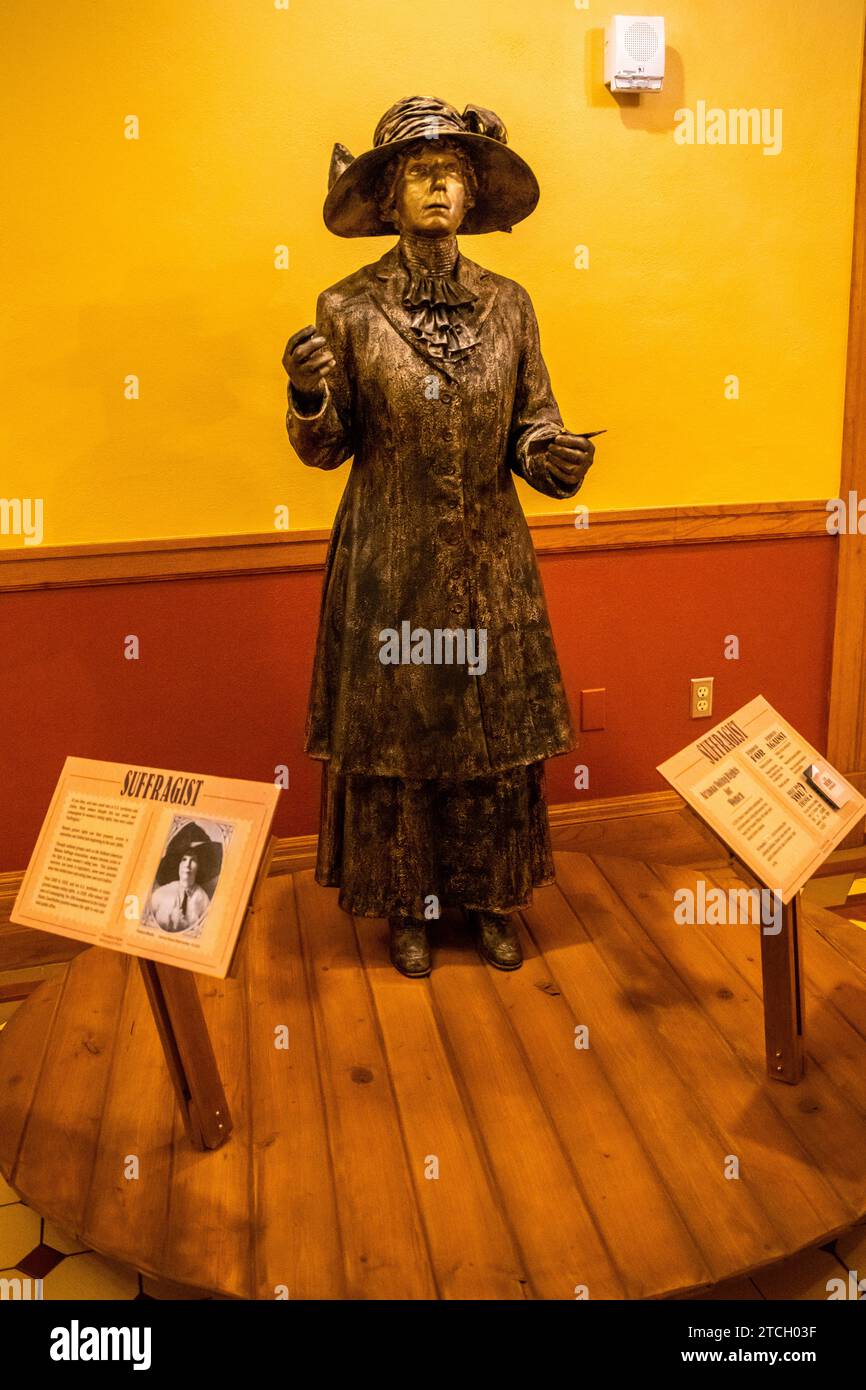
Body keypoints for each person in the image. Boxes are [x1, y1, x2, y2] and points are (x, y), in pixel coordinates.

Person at [283, 96, 596, 978]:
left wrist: (552, 455)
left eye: (451, 172)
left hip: (490, 560)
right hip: (388, 555)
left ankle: (493, 899)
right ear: (385, 197)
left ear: (472, 194)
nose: (436, 184)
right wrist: (309, 397)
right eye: (418, 172)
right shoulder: (345, 308)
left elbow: (532, 424)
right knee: (400, 738)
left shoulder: (510, 305)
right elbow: (327, 448)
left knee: (491, 735)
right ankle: (408, 910)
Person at [145, 848, 211, 934]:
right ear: (179, 865)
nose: (187, 864)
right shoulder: (162, 892)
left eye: (193, 860)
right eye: (184, 859)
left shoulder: (203, 899)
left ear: (199, 867)